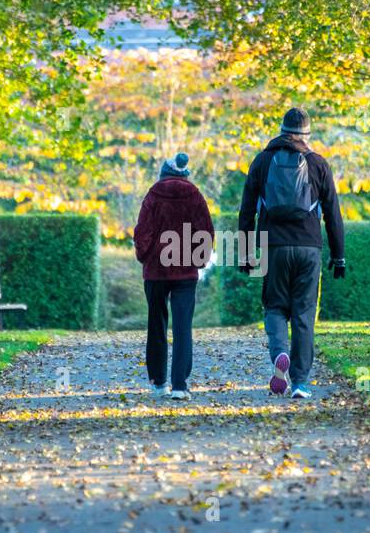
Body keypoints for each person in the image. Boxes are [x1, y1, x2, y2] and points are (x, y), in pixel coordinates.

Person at [238, 107, 345, 398]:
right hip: (309, 247)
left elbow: (247, 211)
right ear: (307, 135)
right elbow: (333, 213)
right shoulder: (318, 164)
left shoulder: (262, 161)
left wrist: (246, 253)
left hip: (273, 246)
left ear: (282, 131)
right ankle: (299, 382)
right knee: (303, 314)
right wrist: (339, 256)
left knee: (274, 307)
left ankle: (279, 356)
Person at [133, 152, 214, 400]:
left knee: (156, 325)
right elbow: (206, 233)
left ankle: (159, 382)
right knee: (182, 327)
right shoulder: (195, 196)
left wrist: (145, 257)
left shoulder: (153, 195)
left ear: (163, 174)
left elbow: (142, 233)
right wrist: (197, 262)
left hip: (156, 272)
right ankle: (180, 385)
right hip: (185, 272)